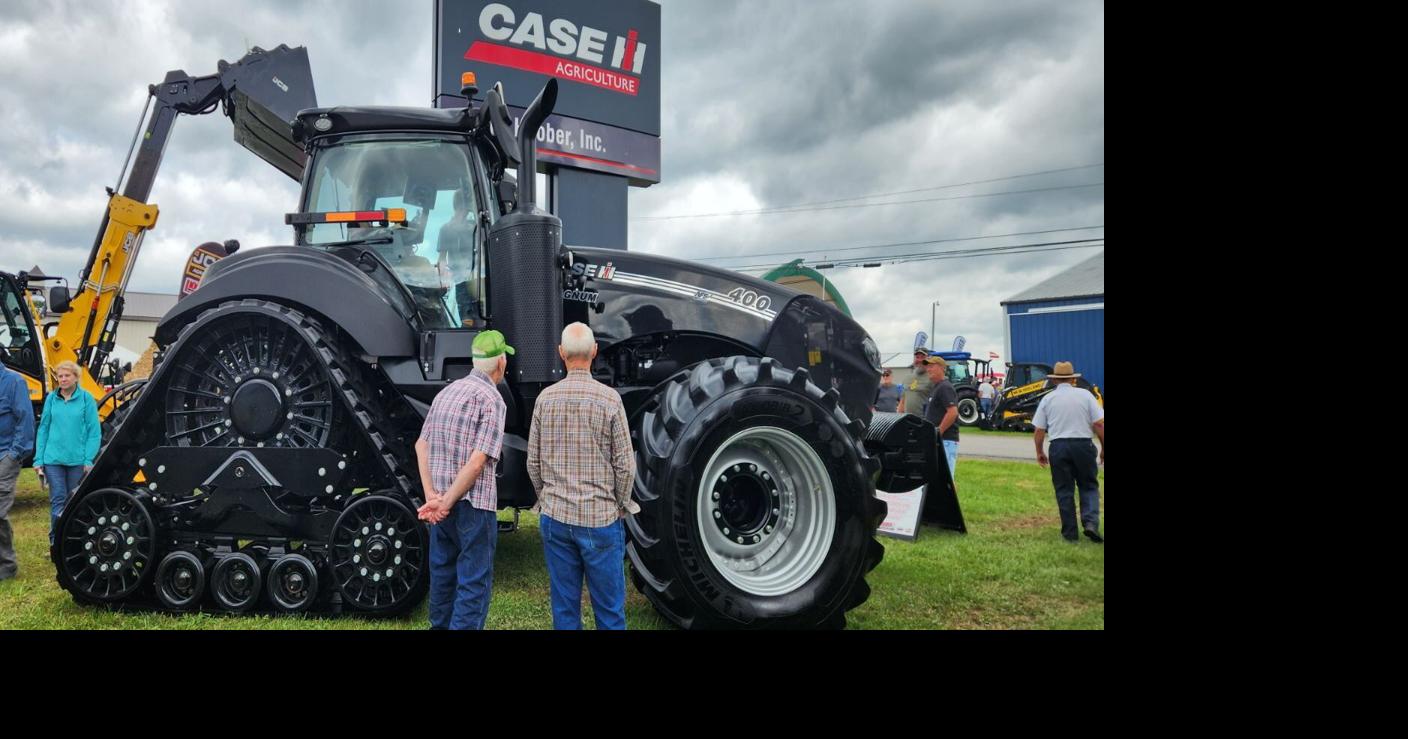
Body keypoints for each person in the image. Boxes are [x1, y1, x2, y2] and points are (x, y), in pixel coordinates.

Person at [527, 322, 639, 630]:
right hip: (600, 518)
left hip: (556, 517)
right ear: (594, 352)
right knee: (610, 612)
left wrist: (546, 495)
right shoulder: (610, 399)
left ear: (561, 353)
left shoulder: (545, 400)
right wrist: (618, 503)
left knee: (565, 610)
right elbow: (625, 465)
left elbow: (533, 463)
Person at [414, 329, 511, 629]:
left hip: (441, 505)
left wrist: (433, 496)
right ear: (501, 363)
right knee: (473, 583)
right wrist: (448, 500)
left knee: (443, 577)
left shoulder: (447, 391)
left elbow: (421, 445)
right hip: (473, 505)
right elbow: (478, 461)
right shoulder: (492, 400)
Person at [1032, 361, 1105, 543]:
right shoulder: (1086, 396)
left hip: (1058, 446)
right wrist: (1104, 447)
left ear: (1055, 381)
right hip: (1083, 445)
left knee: (1064, 489)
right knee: (1088, 485)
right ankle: (1090, 523)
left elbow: (1039, 430)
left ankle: (1070, 533)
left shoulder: (1048, 399)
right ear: (1073, 379)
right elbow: (1099, 423)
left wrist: (1039, 451)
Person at [34, 360, 100, 545]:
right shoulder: (51, 399)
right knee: (58, 500)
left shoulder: (87, 399)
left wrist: (88, 459)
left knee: (75, 503)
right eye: (60, 376)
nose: (62, 379)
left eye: (66, 376)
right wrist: (38, 459)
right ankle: (55, 542)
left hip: (77, 461)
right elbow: (44, 429)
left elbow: (94, 432)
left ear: (76, 377)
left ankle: (73, 541)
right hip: (53, 459)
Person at [0, 354, 36, 581]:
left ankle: (7, 565)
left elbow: (25, 421)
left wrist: (13, 456)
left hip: (5, 455)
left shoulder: (14, 382)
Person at [437, 188, 479, 327]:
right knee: (469, 323)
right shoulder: (447, 229)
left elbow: (442, 259)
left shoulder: (476, 227)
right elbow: (442, 260)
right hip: (464, 282)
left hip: (477, 281)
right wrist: (443, 281)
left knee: (473, 322)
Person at [923, 355, 960, 479]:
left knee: (946, 477)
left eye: (931, 366)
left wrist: (938, 431)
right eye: (927, 366)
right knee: (936, 477)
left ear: (941, 368)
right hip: (939, 440)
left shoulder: (945, 387)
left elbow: (953, 412)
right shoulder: (936, 387)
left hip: (946, 440)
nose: (928, 369)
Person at [896, 349, 934, 417]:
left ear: (929, 359)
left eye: (922, 357)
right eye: (917, 357)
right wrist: (898, 417)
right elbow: (903, 401)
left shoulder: (933, 377)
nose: (919, 360)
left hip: (924, 421)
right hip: (908, 420)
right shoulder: (907, 378)